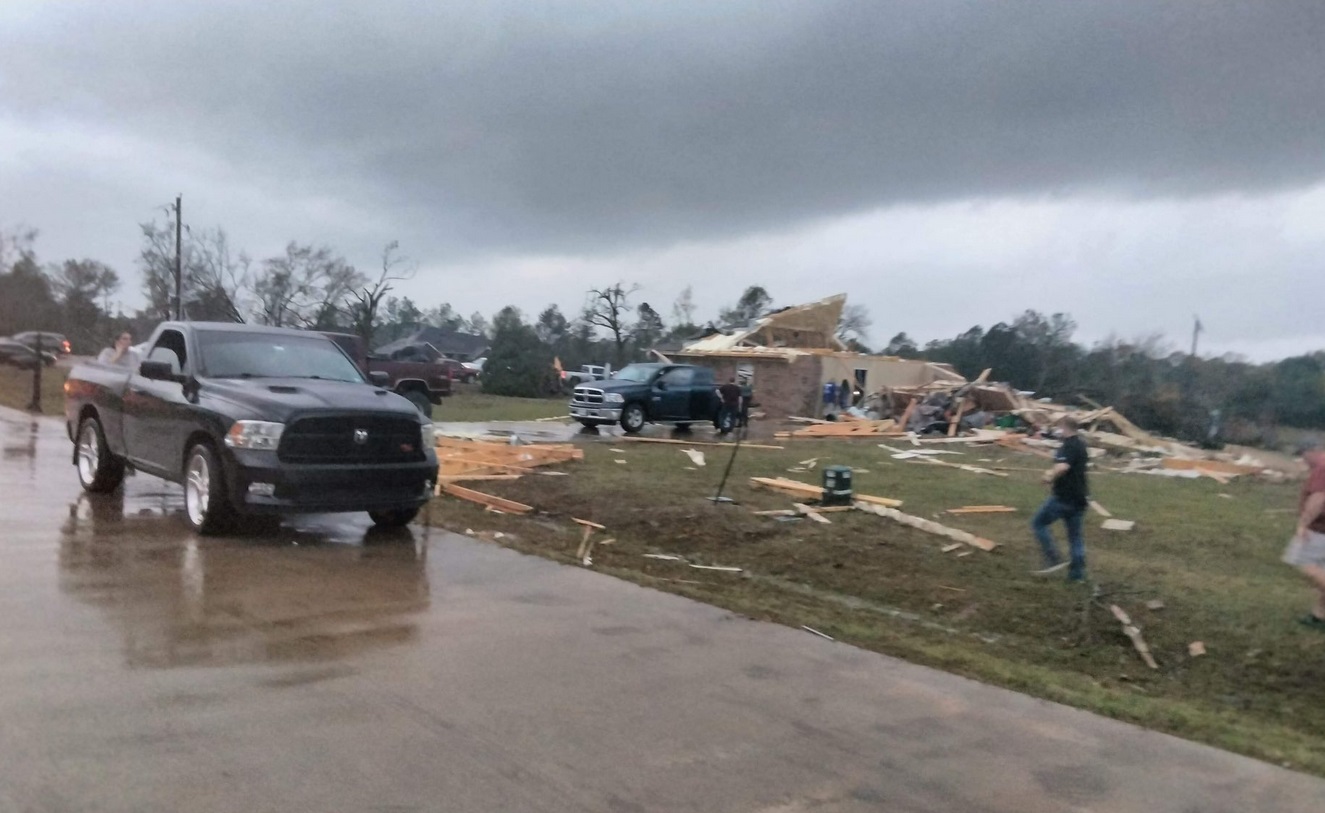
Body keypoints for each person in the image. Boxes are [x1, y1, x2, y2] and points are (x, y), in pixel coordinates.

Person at [1031, 416, 1090, 580]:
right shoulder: (1081, 445)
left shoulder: (1068, 446)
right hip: (1079, 498)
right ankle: (1077, 576)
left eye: (1059, 427)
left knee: (1038, 523)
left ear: (1064, 427)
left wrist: (1049, 476)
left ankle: (1052, 557)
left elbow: (1063, 467)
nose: (1058, 431)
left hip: (1063, 498)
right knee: (1075, 537)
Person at [1282, 439, 1325, 629]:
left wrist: (1303, 524)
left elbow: (1319, 498)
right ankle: (1319, 616)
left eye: (1303, 455)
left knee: (1304, 565)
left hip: (1318, 530)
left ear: (1312, 451)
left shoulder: (1323, 468)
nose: (1303, 460)